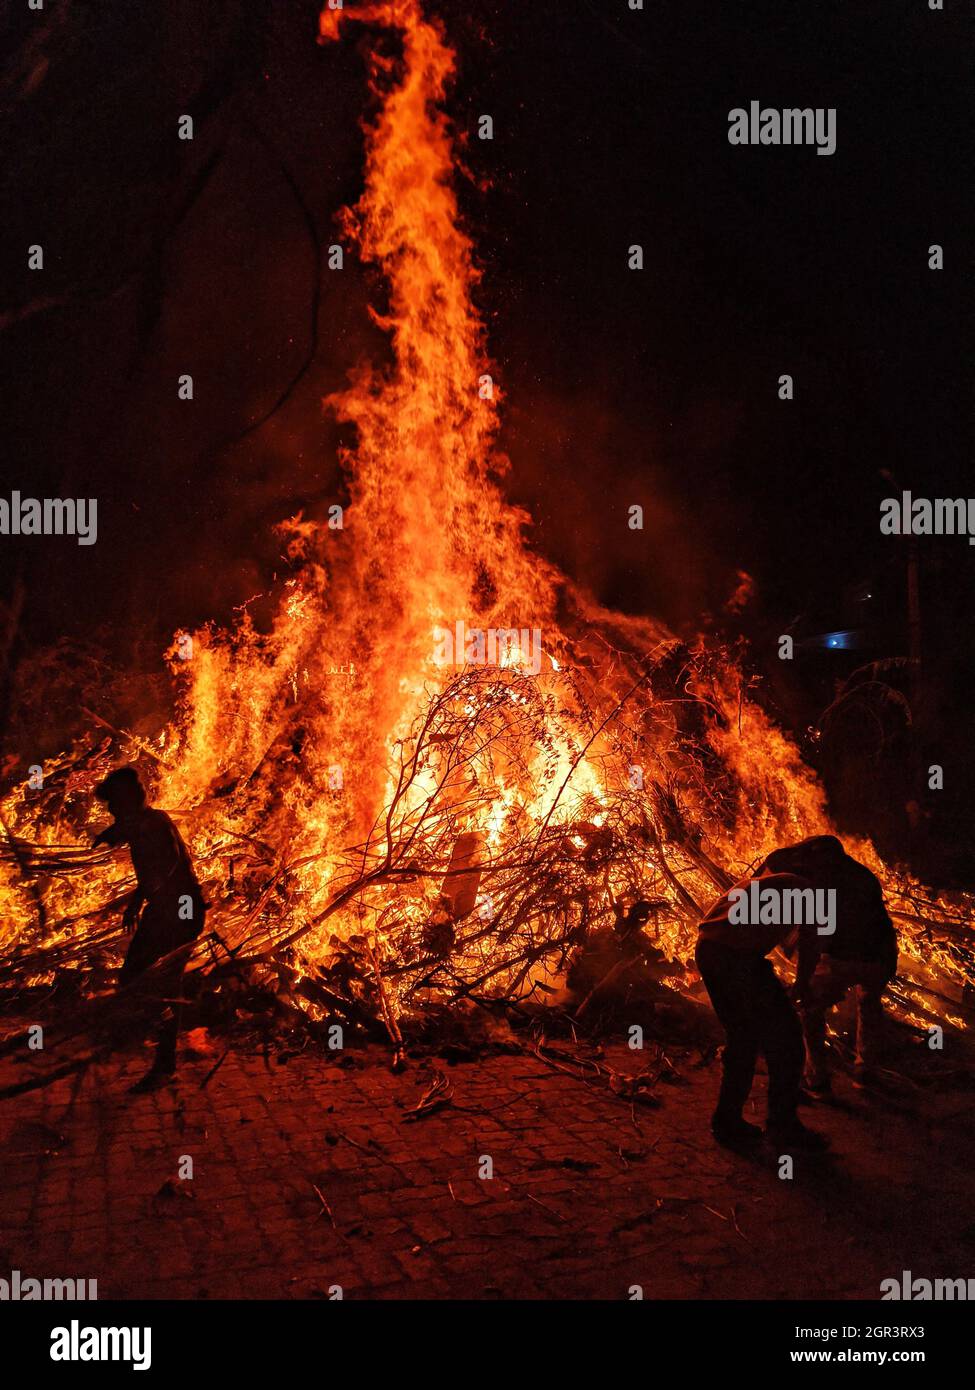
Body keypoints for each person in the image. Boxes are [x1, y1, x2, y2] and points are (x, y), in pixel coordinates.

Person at [696, 867, 829, 1152]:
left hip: (710, 950)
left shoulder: (767, 881)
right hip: (736, 958)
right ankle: (780, 1125)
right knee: (787, 1041)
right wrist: (803, 985)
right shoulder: (810, 891)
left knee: (744, 1038)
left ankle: (729, 1122)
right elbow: (809, 943)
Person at [93, 767, 206, 1092]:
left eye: (113, 803)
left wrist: (147, 894)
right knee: (132, 976)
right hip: (164, 912)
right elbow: (126, 832)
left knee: (163, 986)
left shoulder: (154, 825)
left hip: (181, 913)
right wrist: (136, 902)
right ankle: (146, 1035)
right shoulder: (143, 823)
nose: (111, 810)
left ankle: (165, 1062)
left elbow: (168, 864)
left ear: (127, 800)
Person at [759, 835, 898, 1091]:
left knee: (810, 1007)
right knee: (869, 1005)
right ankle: (865, 1071)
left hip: (844, 959)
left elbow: (815, 938)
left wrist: (803, 980)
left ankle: (817, 1078)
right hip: (880, 955)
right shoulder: (863, 874)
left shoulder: (822, 882)